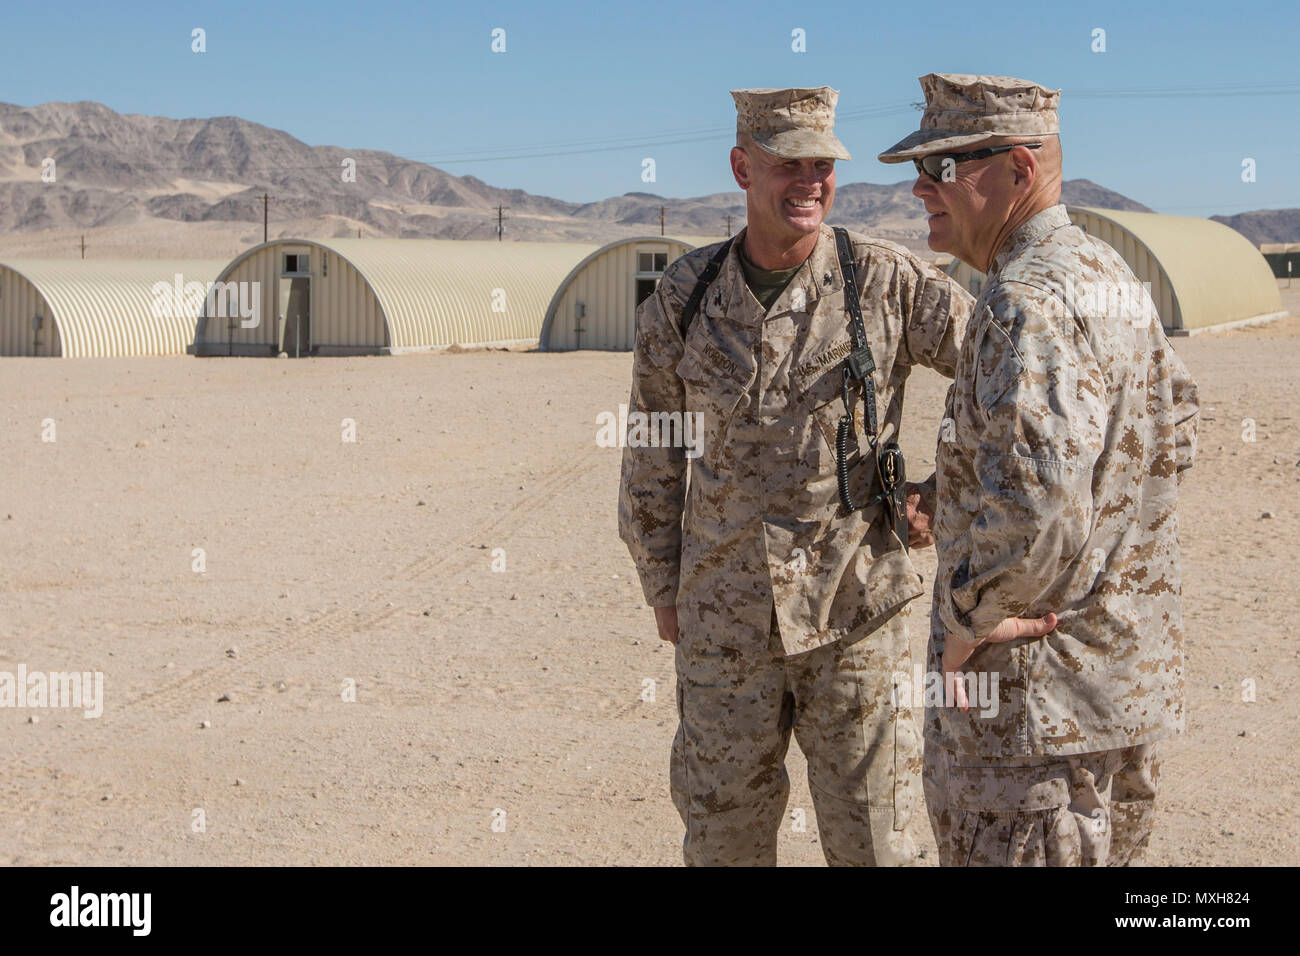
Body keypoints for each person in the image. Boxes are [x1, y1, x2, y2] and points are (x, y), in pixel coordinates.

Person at [618, 86, 973, 865]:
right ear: (743, 166)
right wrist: (663, 584)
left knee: (875, 843)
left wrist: (942, 495)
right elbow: (652, 451)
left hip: (857, 615)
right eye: (790, 164)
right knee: (723, 840)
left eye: (823, 164)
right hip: (724, 624)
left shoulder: (883, 280)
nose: (810, 181)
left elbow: (1003, 377)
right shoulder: (684, 297)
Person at [878, 73, 1200, 866]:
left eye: (946, 168)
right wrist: (952, 499)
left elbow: (1039, 505)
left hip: (1031, 719)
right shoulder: (1105, 270)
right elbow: (1174, 426)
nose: (923, 187)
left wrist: (968, 618)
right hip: (1111, 688)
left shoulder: (1026, 299)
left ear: (1019, 172)